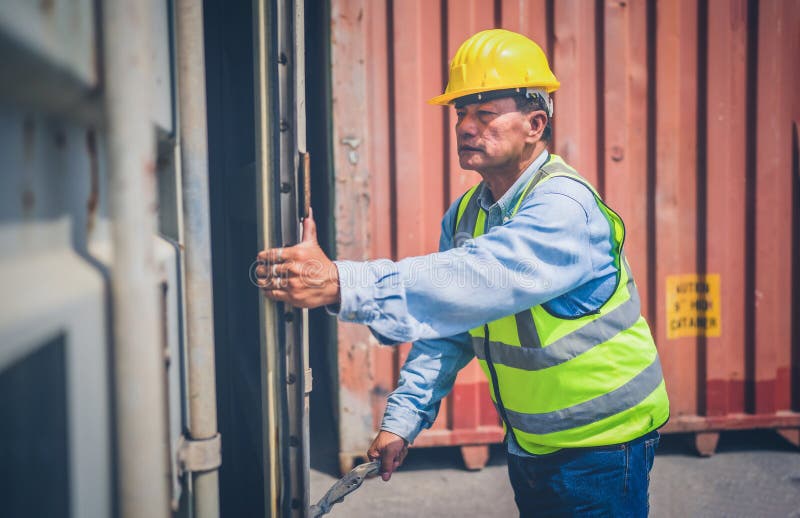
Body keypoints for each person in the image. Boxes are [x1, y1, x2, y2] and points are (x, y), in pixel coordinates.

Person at [257, 29, 669, 517]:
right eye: (460, 114)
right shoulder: (468, 214)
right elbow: (449, 324)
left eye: (485, 114)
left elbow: (477, 278)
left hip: (604, 445)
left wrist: (342, 282)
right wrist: (404, 419)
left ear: (535, 124)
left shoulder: (563, 208)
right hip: (532, 442)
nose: (465, 127)